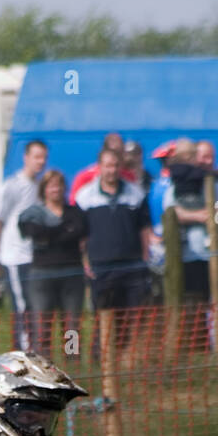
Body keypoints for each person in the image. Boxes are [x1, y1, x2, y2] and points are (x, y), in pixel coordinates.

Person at [163, 139, 218, 344]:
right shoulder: (178, 185)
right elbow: (172, 212)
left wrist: (217, 213)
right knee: (194, 307)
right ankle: (197, 349)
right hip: (192, 256)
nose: (206, 161)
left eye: (210, 157)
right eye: (202, 156)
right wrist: (199, 216)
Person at [75, 146, 153, 346]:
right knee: (100, 318)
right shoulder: (84, 196)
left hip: (132, 265)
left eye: (116, 165)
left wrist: (146, 258)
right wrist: (84, 263)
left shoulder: (135, 193)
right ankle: (95, 358)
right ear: (100, 167)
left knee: (132, 317)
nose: (112, 170)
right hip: (100, 267)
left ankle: (129, 359)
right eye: (108, 165)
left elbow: (144, 228)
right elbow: (80, 235)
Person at [17, 169, 88, 357]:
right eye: (51, 185)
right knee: (42, 323)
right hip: (42, 274)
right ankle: (43, 361)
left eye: (58, 185)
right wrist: (64, 231)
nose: (55, 189)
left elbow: (79, 229)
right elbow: (35, 232)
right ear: (44, 189)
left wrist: (50, 235)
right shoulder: (32, 214)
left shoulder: (75, 212)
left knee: (72, 323)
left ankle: (72, 358)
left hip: (72, 273)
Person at [0, 139, 48, 349]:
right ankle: (24, 353)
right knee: (22, 307)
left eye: (44, 157)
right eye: (36, 157)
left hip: (36, 257)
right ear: (26, 158)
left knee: (36, 307)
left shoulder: (40, 187)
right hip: (14, 257)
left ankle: (43, 350)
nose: (40, 162)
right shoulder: (12, 186)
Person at [68, 131, 135, 205]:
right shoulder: (85, 177)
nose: (117, 156)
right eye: (113, 152)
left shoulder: (128, 176)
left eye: (120, 152)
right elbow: (75, 205)